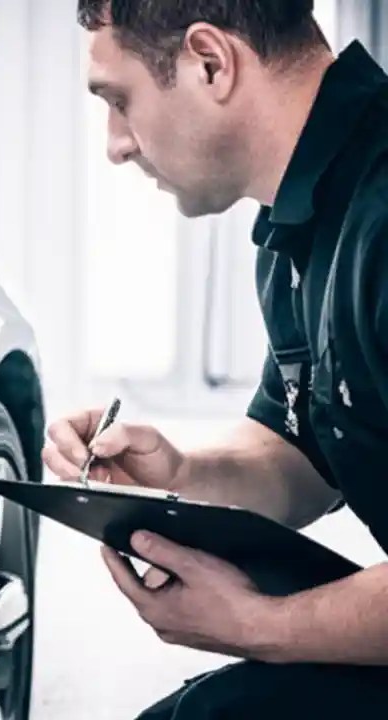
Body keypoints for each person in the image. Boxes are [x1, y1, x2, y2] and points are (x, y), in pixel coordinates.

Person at [44, 1, 388, 717]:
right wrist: (181, 475)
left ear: (211, 62)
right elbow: (303, 453)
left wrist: (262, 628)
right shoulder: (300, 225)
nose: (115, 143)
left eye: (118, 100)